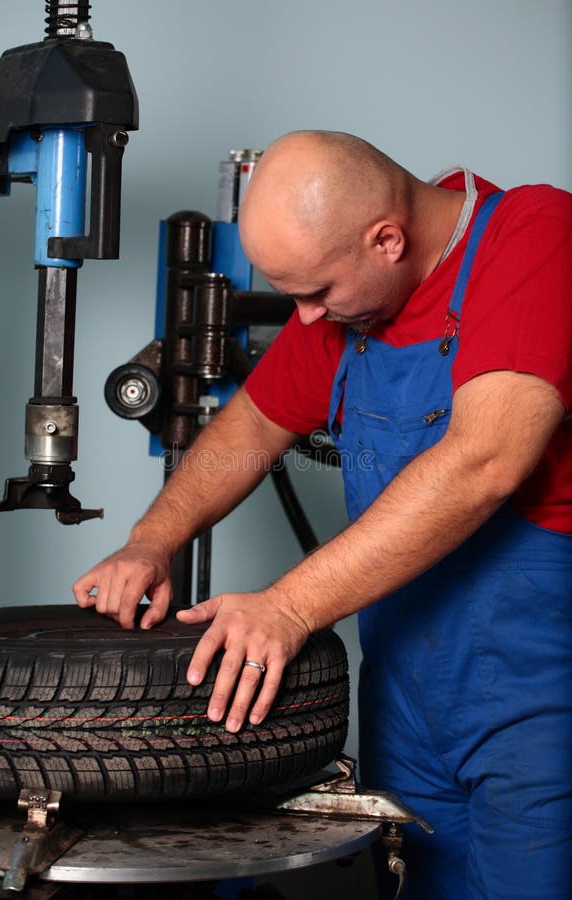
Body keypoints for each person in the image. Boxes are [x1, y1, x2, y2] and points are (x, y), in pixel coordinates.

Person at [73, 131, 572, 899]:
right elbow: (252, 426)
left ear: (387, 239)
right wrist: (152, 542)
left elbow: (487, 459)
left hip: (542, 705)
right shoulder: (352, 314)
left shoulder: (534, 237)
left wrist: (290, 605)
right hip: (406, 699)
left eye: (317, 292)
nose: (305, 320)